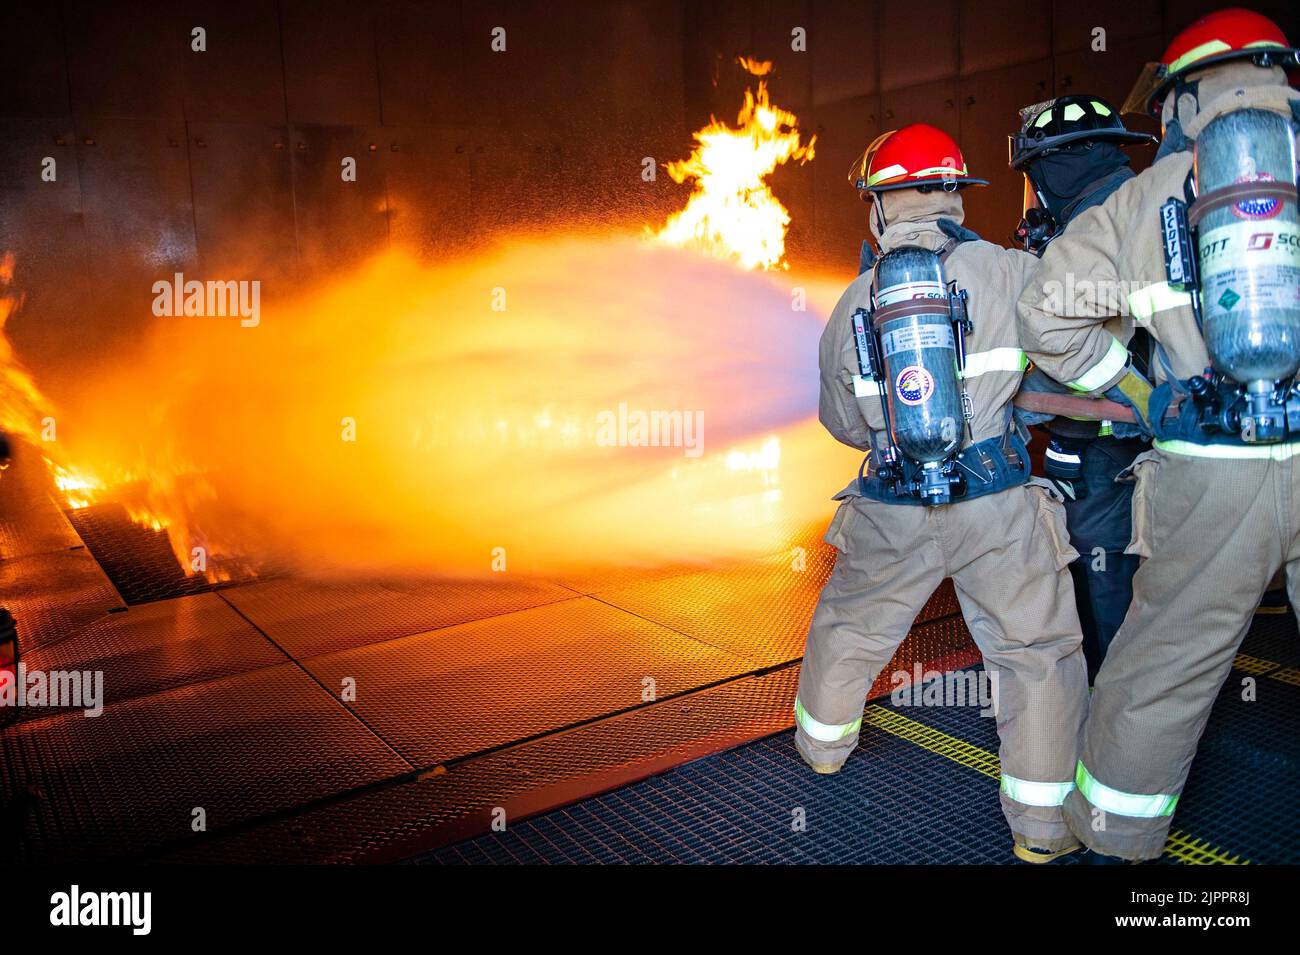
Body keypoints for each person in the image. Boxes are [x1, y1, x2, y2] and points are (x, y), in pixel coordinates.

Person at [1016, 7, 1300, 862]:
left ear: (1181, 99)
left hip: (1213, 467)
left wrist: (1140, 391)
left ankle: (1115, 833)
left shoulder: (1145, 201)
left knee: (1162, 668)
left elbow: (1044, 314)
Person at [795, 123, 1089, 863]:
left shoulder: (854, 300)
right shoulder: (1013, 271)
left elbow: (839, 420)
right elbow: (1062, 368)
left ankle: (822, 751)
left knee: (851, 629)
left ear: (880, 204)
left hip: (893, 505)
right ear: (955, 192)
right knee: (1033, 654)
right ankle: (1042, 829)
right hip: (996, 500)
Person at [1009, 95, 1157, 680]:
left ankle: (1113, 712)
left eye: (1036, 174)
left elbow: (1054, 335)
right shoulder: (1144, 204)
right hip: (1145, 442)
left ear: (1056, 165)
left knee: (1105, 581)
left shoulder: (1094, 228)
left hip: (1108, 449)